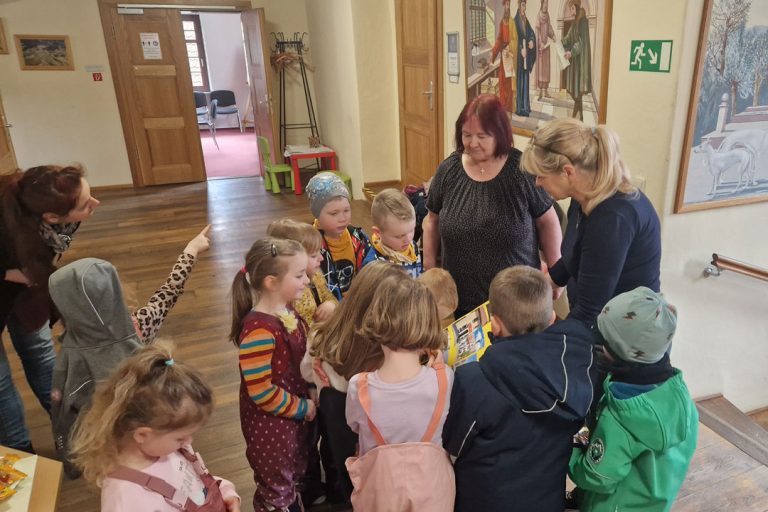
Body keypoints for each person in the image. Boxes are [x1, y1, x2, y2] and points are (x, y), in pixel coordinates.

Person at [48, 226, 211, 478]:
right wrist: (190, 250)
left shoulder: (69, 353)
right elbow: (168, 293)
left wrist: (71, 464)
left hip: (107, 455)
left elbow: (64, 414)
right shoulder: (138, 327)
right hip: (157, 437)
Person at [443, 266, 594, 512]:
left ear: (494, 325)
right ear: (552, 318)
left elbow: (454, 445)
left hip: (484, 501)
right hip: (546, 501)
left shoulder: (474, 379)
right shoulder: (575, 370)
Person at [423, 93, 562, 317]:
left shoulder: (522, 170)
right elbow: (432, 221)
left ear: (500, 134)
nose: (473, 143)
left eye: (482, 136)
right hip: (464, 297)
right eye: (466, 135)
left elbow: (548, 222)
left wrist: (556, 272)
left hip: (518, 301)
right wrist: (429, 271)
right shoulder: (448, 170)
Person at [69, 341, 241, 512]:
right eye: (181, 438)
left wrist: (226, 493)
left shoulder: (168, 447)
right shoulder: (126, 498)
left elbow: (195, 485)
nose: (189, 441)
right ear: (142, 435)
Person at [521, 118, 661, 325]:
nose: (537, 183)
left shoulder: (612, 219)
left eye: (541, 176)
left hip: (623, 332)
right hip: (597, 320)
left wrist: (549, 339)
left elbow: (589, 311)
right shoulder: (584, 198)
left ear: (568, 172)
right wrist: (545, 284)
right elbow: (575, 255)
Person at [569, 287, 698, 512]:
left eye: (604, 341)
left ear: (620, 354)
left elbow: (596, 476)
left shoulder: (620, 420)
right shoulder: (683, 399)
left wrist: (570, 452)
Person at [0, 164, 99, 452]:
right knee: (1, 385)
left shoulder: (52, 209)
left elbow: (48, 254)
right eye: (86, 204)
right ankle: (21, 453)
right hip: (14, 275)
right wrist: (10, 274)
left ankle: (72, 434)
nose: (95, 203)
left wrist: (30, 274)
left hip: (25, 287)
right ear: (50, 217)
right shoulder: (5, 229)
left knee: (41, 355)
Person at [302, 262, 409, 503]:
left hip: (338, 445)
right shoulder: (387, 359)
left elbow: (307, 374)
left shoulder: (318, 337)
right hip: (379, 456)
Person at [345, 275, 454, 511]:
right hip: (433, 494)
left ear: (377, 320)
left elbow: (354, 425)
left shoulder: (358, 387)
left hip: (380, 493)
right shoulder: (445, 378)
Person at [229, 237, 314, 512]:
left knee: (291, 478)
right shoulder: (259, 332)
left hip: (289, 419)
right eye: (299, 275)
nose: (307, 281)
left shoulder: (285, 310)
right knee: (276, 490)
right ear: (271, 282)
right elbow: (261, 392)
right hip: (272, 429)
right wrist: (303, 407)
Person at [306, 172, 371, 300]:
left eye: (346, 210)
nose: (342, 218)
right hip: (328, 304)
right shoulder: (310, 244)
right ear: (317, 215)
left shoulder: (357, 236)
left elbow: (369, 267)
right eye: (334, 213)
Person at [267, 218, 338, 326]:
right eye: (313, 256)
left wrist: (331, 304)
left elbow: (328, 295)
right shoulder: (286, 292)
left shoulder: (316, 275)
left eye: (320, 251)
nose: (321, 258)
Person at [362, 188, 422, 277]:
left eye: (411, 230)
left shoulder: (412, 246)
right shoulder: (373, 266)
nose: (408, 239)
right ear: (378, 232)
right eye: (399, 236)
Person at [562, 0, 592, 120]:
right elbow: (568, 38)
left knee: (578, 92)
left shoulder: (583, 22)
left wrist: (571, 52)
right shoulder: (574, 22)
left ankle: (576, 116)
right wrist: (560, 42)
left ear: (577, 7)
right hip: (575, 61)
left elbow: (581, 42)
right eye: (570, 9)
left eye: (572, 8)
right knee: (576, 93)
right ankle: (580, 117)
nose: (571, 11)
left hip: (580, 62)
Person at [490, 0, 518, 113]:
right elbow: (499, 39)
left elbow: (515, 40)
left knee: (509, 84)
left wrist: (509, 47)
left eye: (509, 5)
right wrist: (493, 53)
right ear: (504, 7)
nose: (507, 7)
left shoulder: (512, 22)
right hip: (503, 57)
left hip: (510, 57)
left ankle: (509, 110)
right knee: (502, 81)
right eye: (506, 5)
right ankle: (502, 109)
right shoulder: (502, 22)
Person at [513, 0, 537, 116]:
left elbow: (531, 33)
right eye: (523, 5)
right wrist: (520, 49)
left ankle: (526, 107)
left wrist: (532, 41)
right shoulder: (515, 21)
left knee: (526, 81)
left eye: (525, 5)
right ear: (519, 6)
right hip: (519, 58)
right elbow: (513, 40)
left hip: (526, 55)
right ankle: (520, 109)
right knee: (520, 82)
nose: (525, 7)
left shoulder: (525, 20)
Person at [535, 0, 555, 100]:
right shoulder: (538, 15)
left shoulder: (548, 16)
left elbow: (549, 28)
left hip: (546, 46)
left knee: (546, 70)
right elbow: (537, 31)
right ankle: (540, 92)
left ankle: (546, 91)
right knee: (541, 69)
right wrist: (540, 42)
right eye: (545, 3)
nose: (546, 5)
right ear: (542, 4)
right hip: (540, 48)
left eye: (547, 3)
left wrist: (553, 35)